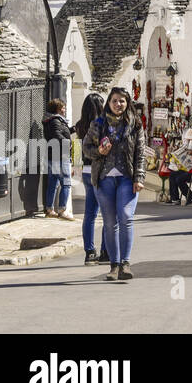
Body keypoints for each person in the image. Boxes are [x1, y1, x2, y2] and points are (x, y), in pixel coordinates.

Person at [81, 87, 146, 281]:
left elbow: (140, 152)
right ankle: (114, 265)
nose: (119, 104)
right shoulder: (98, 123)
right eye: (115, 101)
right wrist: (99, 152)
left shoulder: (135, 125)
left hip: (127, 177)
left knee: (126, 216)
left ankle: (125, 263)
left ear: (128, 104)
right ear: (109, 102)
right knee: (110, 222)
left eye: (122, 101)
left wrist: (139, 178)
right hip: (104, 178)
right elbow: (86, 148)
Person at [73, 92, 109, 265]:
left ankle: (89, 251)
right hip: (100, 169)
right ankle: (105, 250)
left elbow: (77, 146)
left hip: (86, 170)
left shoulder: (80, 125)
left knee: (90, 214)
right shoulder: (101, 125)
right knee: (106, 213)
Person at [41, 98, 73, 219]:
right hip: (60, 156)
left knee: (53, 183)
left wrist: (72, 130)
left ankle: (49, 209)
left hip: (52, 155)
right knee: (66, 183)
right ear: (57, 109)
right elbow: (56, 135)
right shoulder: (55, 120)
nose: (64, 110)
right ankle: (62, 210)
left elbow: (60, 132)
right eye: (63, 108)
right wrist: (67, 143)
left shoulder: (52, 120)